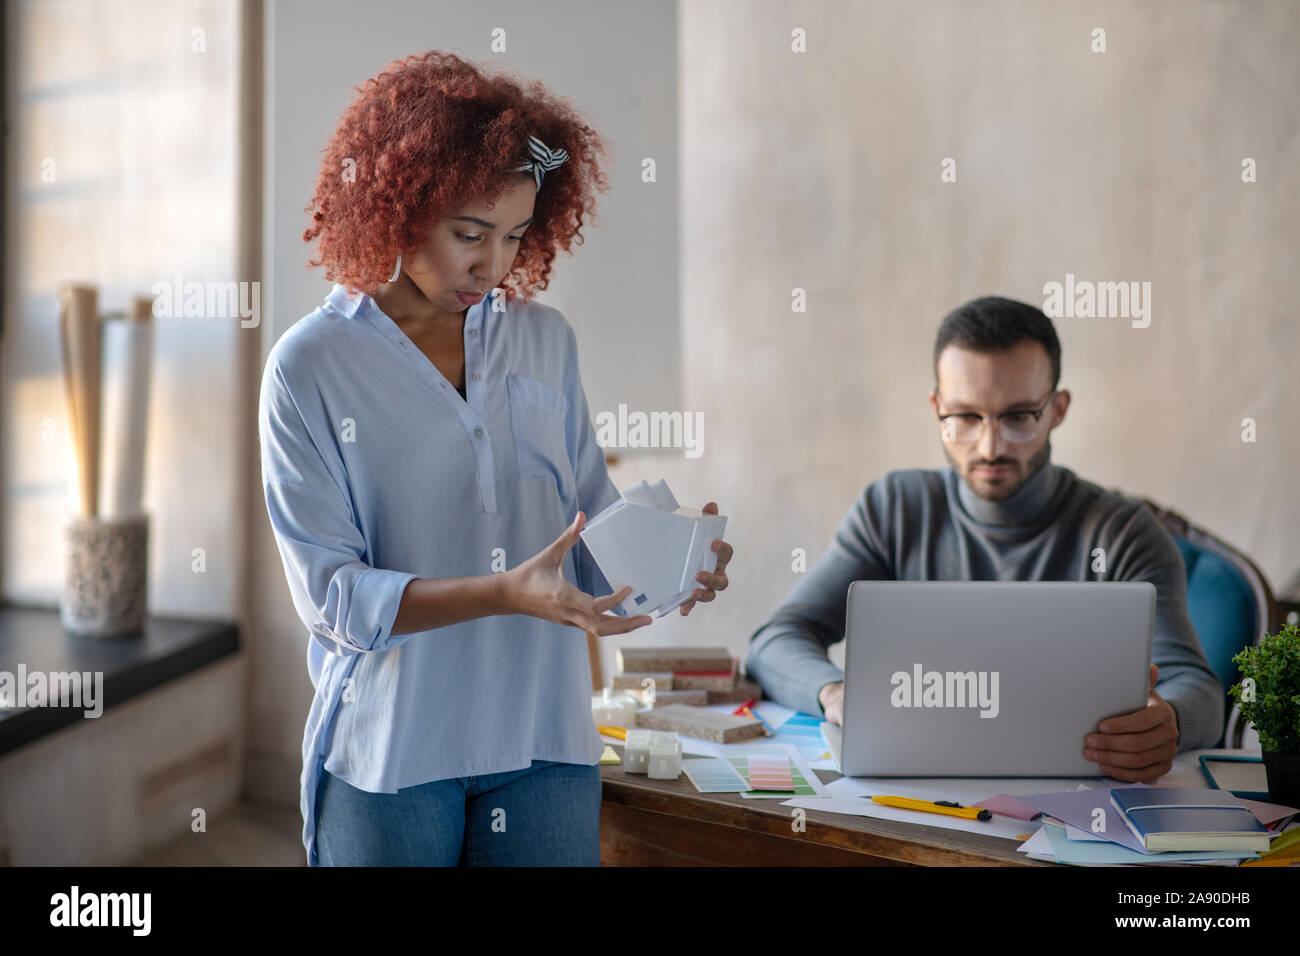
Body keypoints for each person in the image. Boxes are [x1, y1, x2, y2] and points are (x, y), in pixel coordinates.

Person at [259, 51, 733, 866]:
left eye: (515, 235)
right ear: (397, 209)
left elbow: (584, 532)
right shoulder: (310, 368)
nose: (494, 265)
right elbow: (333, 598)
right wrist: (506, 592)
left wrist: (667, 561)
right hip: (391, 756)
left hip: (543, 740)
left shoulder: (544, 342)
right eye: (468, 234)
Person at [744, 296, 1222, 783]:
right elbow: (774, 641)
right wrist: (837, 694)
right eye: (966, 417)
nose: (990, 446)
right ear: (936, 408)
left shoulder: (1123, 533)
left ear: (1057, 409)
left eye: (1018, 417)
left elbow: (1198, 689)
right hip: (910, 807)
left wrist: (1171, 723)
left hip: (1072, 809)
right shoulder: (893, 508)